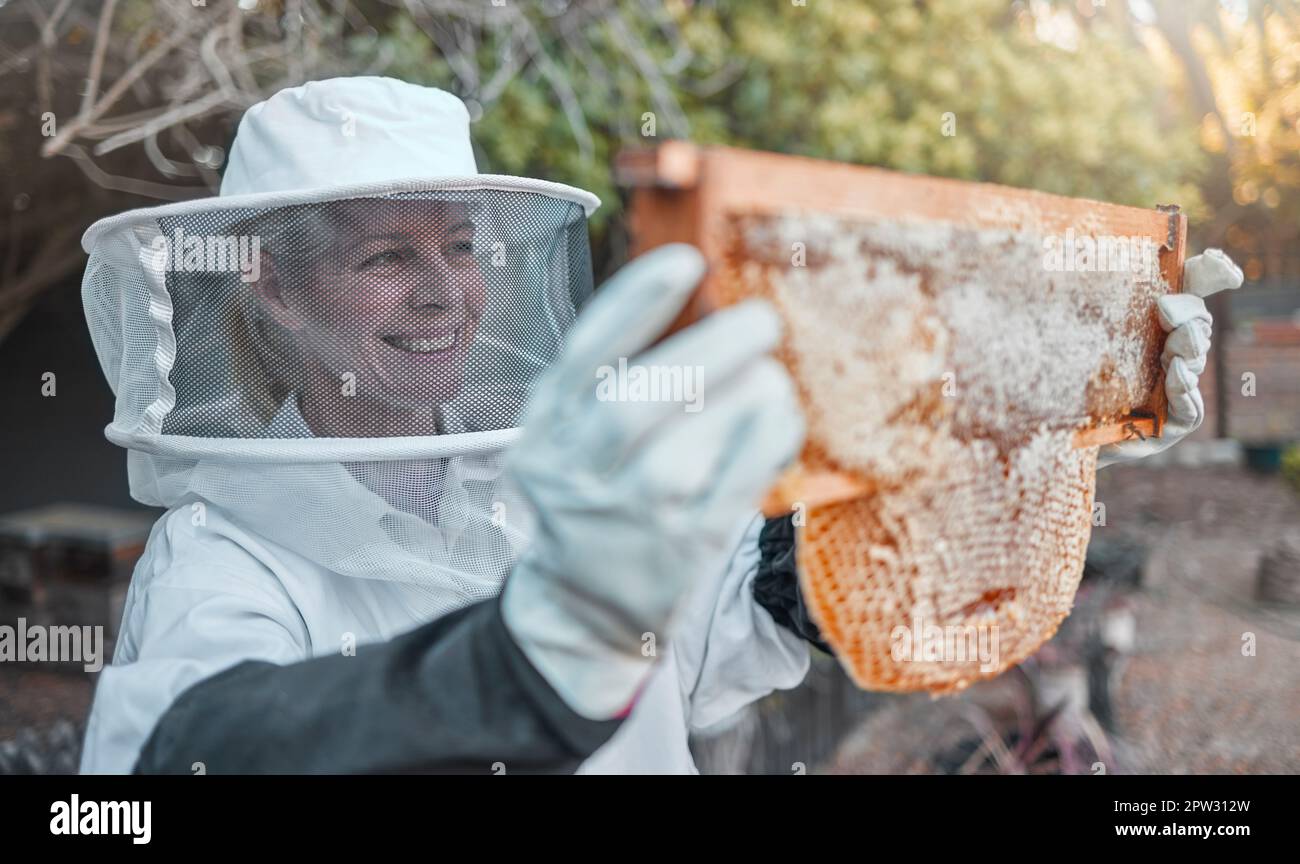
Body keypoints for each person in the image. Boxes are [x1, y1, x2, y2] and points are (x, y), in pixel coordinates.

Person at [77, 77, 1241, 774]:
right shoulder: (221, 557)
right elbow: (179, 759)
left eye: (461, 247)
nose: (443, 292)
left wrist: (1029, 425)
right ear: (275, 291)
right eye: (387, 255)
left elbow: (773, 599)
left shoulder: (552, 476)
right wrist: (535, 650)